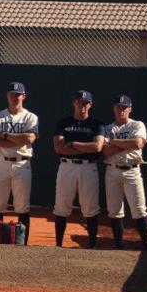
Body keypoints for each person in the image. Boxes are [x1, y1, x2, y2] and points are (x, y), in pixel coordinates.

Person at [51, 90, 105, 248]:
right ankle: (59, 245)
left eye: (86, 103)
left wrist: (73, 144)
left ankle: (92, 246)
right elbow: (59, 148)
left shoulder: (97, 124)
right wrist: (85, 148)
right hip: (67, 166)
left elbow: (97, 147)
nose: (82, 105)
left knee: (90, 207)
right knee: (62, 205)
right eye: (79, 102)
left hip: (88, 168)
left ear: (90, 105)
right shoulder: (64, 123)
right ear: (74, 102)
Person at [0, 82, 39, 243]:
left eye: (17, 94)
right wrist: (18, 139)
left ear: (24, 96)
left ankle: (22, 245)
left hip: (22, 163)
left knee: (22, 207)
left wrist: (6, 135)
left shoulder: (31, 117)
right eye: (11, 94)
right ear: (7, 95)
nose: (14, 97)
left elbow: (30, 138)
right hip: (0, 163)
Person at [101, 95, 147, 250]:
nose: (121, 109)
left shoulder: (137, 125)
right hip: (112, 170)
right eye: (118, 106)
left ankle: (146, 246)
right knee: (114, 210)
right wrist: (127, 144)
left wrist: (114, 142)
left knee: (139, 209)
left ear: (130, 109)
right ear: (114, 108)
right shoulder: (107, 128)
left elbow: (138, 143)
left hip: (132, 171)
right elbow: (106, 151)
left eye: (124, 107)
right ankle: (119, 246)